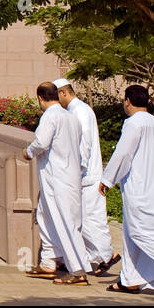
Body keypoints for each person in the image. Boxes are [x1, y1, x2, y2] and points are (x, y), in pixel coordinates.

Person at [100, 86, 154, 296]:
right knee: (132, 234)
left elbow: (123, 154)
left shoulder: (133, 123)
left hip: (137, 189)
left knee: (142, 233)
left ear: (128, 100)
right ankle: (129, 280)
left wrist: (107, 179)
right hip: (151, 188)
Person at [23, 82, 90, 286]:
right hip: (67, 176)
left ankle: (78, 270)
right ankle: (49, 261)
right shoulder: (71, 118)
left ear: (41, 98)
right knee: (45, 217)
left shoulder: (50, 116)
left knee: (65, 222)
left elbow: (42, 142)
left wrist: (29, 152)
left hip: (58, 178)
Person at [55, 78, 120, 274]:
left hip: (87, 176)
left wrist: (77, 169)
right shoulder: (73, 110)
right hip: (81, 176)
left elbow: (84, 143)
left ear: (63, 93)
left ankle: (106, 256)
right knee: (83, 219)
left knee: (91, 219)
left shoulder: (80, 111)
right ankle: (93, 257)